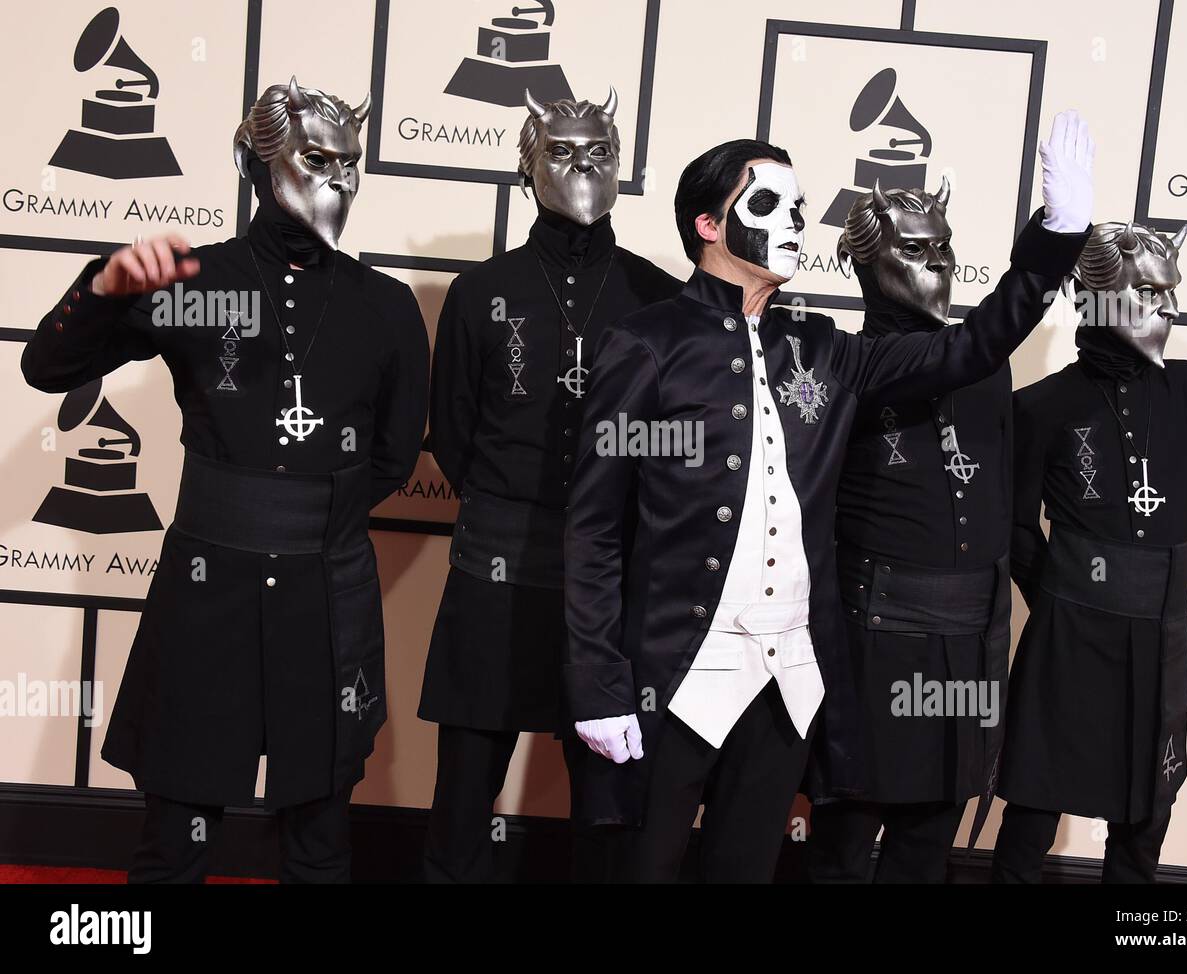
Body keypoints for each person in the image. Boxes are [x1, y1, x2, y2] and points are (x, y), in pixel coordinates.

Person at [564, 114, 1094, 883]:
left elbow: (966, 348)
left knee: (744, 868)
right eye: (769, 204)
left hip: (788, 676)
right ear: (708, 224)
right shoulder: (645, 346)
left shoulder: (822, 348)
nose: (796, 221)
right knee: (640, 868)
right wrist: (597, 686)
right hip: (672, 675)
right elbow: (593, 532)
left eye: (799, 207)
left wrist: (1056, 237)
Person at [21, 78, 429, 883]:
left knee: (320, 833)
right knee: (177, 835)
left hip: (327, 588)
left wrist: (308, 518)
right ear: (255, 159)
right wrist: (104, 286)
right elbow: (48, 366)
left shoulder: (384, 306)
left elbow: (391, 455)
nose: (339, 179)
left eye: (351, 163)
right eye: (318, 158)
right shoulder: (191, 282)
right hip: (207, 587)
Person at [805, 113, 1094, 884]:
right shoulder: (859, 360)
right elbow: (965, 347)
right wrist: (1051, 243)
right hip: (879, 635)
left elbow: (999, 506)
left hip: (969, 636)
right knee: (848, 829)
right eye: (914, 247)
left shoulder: (985, 366)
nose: (937, 263)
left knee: (933, 831)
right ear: (867, 264)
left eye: (943, 246)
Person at [418, 89, 680, 882]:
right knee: (463, 798)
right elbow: (454, 438)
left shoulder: (659, 297)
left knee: (607, 809)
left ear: (620, 165)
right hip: (493, 578)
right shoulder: (476, 292)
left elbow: (673, 451)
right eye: (561, 150)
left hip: (611, 593)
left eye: (597, 150)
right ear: (526, 163)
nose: (581, 166)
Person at [992, 220, 1187, 882]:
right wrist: (1061, 596)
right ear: (1095, 296)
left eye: (1171, 293)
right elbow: (1015, 529)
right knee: (1036, 799)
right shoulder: (1041, 407)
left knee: (1148, 808)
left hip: (1160, 634)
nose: (1167, 309)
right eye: (1149, 293)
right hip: (1067, 637)